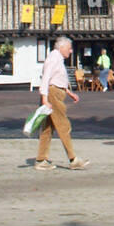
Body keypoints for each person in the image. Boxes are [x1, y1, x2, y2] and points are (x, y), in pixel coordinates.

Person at [35, 35, 89, 170]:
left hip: (56, 92)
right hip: (53, 94)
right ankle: (73, 159)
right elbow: (46, 78)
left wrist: (69, 93)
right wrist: (44, 99)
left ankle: (41, 160)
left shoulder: (58, 59)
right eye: (69, 49)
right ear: (62, 47)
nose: (71, 51)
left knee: (47, 129)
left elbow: (57, 78)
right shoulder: (53, 58)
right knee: (64, 125)